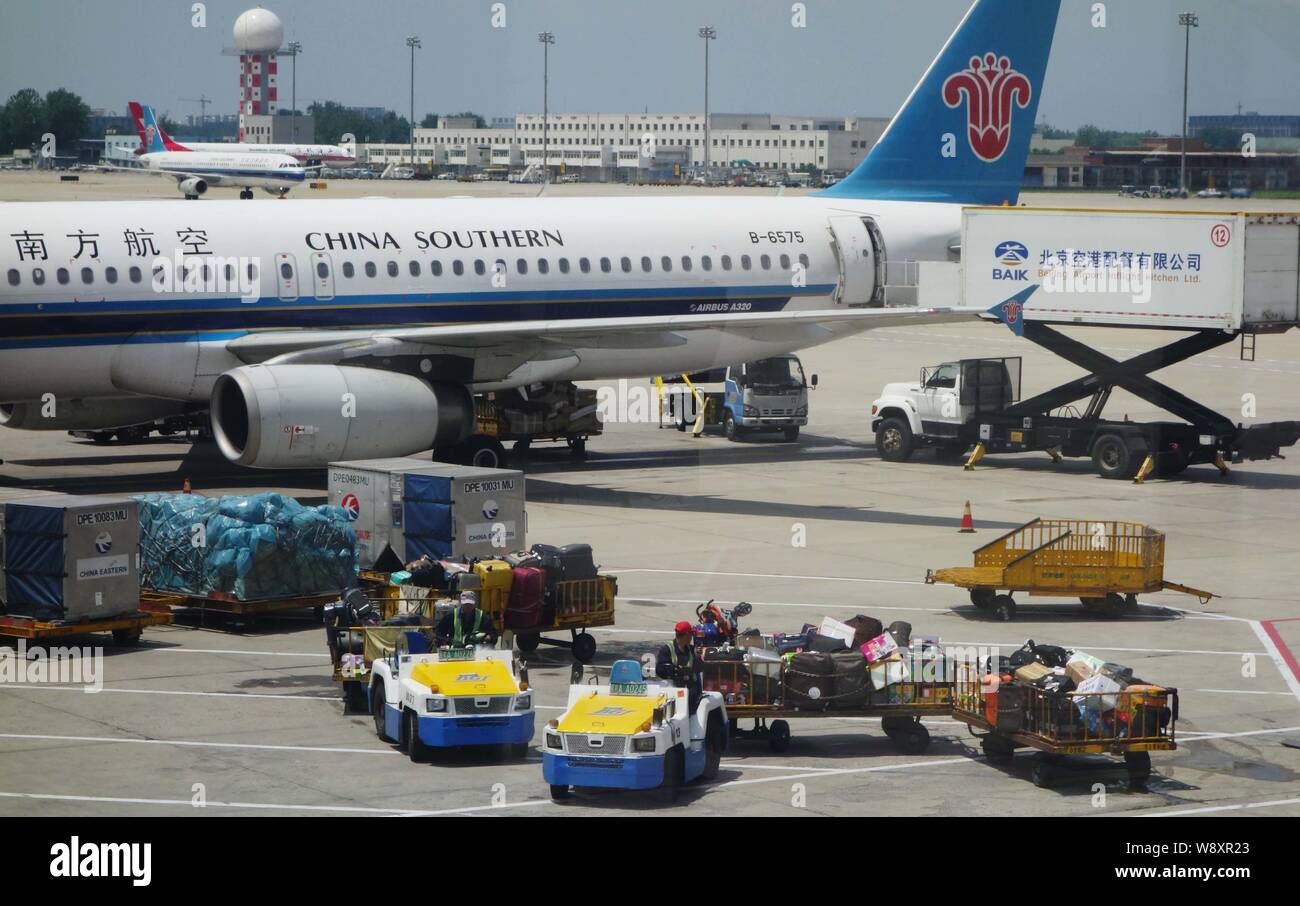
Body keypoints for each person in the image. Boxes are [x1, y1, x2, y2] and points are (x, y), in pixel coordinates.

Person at [655, 620, 702, 707]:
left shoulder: (692, 649)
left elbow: (700, 669)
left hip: (690, 690)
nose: (692, 637)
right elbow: (660, 670)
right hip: (673, 689)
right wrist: (676, 670)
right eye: (691, 634)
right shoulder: (667, 649)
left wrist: (698, 657)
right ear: (686, 635)